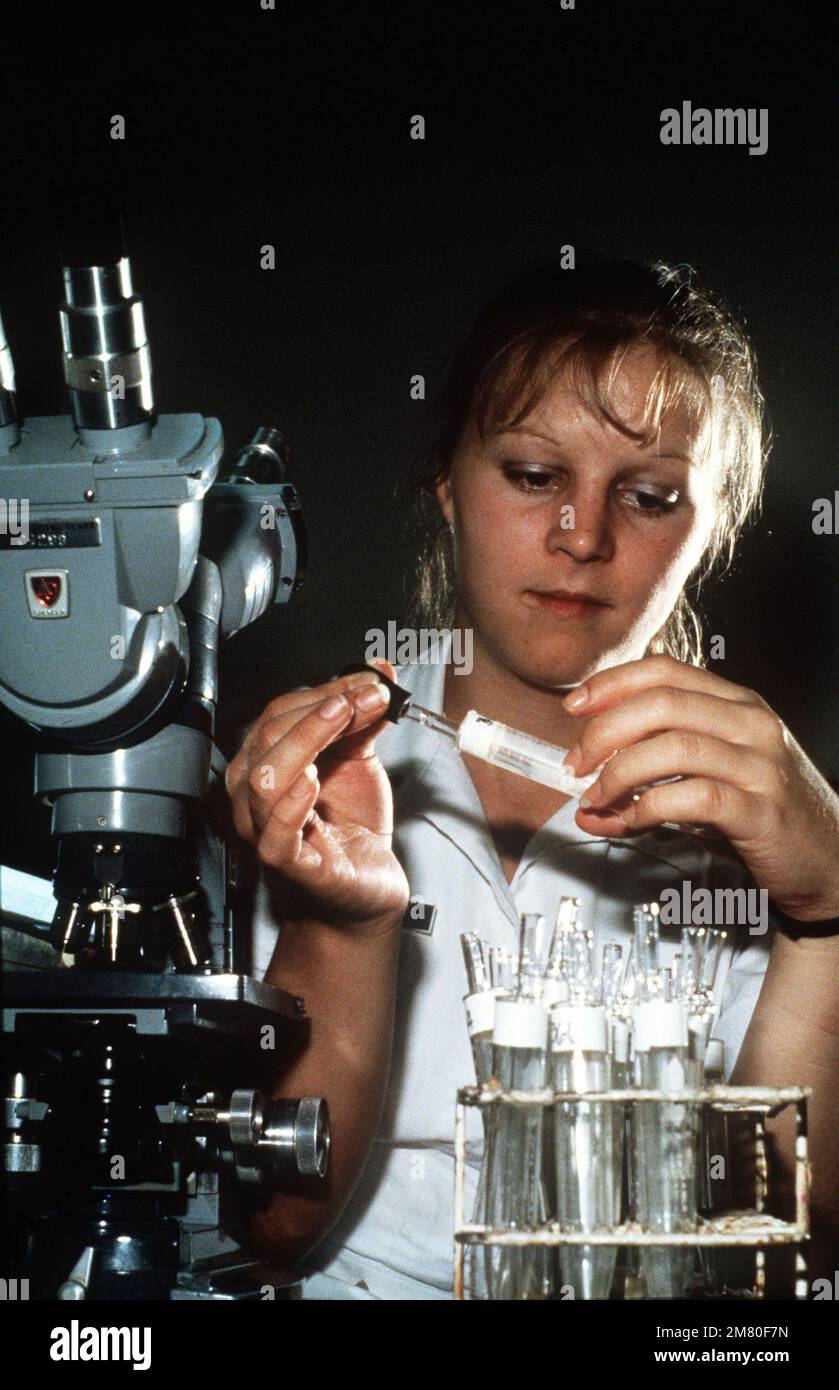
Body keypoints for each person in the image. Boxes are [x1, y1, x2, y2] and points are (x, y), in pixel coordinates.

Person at [225, 256, 839, 1299]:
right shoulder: (309, 785)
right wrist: (344, 926)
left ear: (710, 525)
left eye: (646, 496)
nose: (582, 535)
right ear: (446, 488)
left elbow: (781, 1236)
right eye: (532, 475)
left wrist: (825, 913)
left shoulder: (761, 822)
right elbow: (272, 1219)